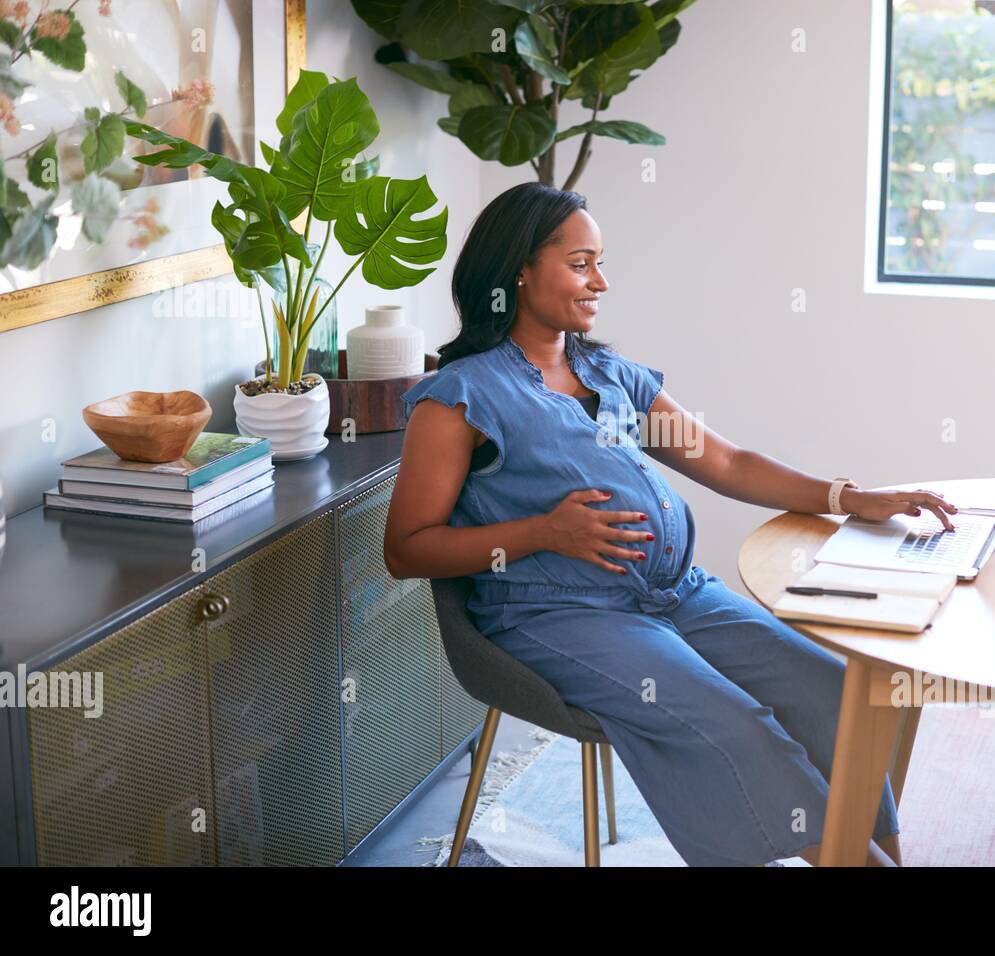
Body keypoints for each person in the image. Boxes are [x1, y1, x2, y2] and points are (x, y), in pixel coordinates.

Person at [384, 182, 960, 867]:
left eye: (600, 261)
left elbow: (727, 462)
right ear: (519, 269)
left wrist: (850, 497)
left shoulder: (607, 371)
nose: (600, 280)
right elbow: (405, 549)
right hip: (557, 614)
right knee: (735, 726)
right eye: (580, 263)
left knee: (831, 691)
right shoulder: (461, 397)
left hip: (676, 594)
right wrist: (542, 533)